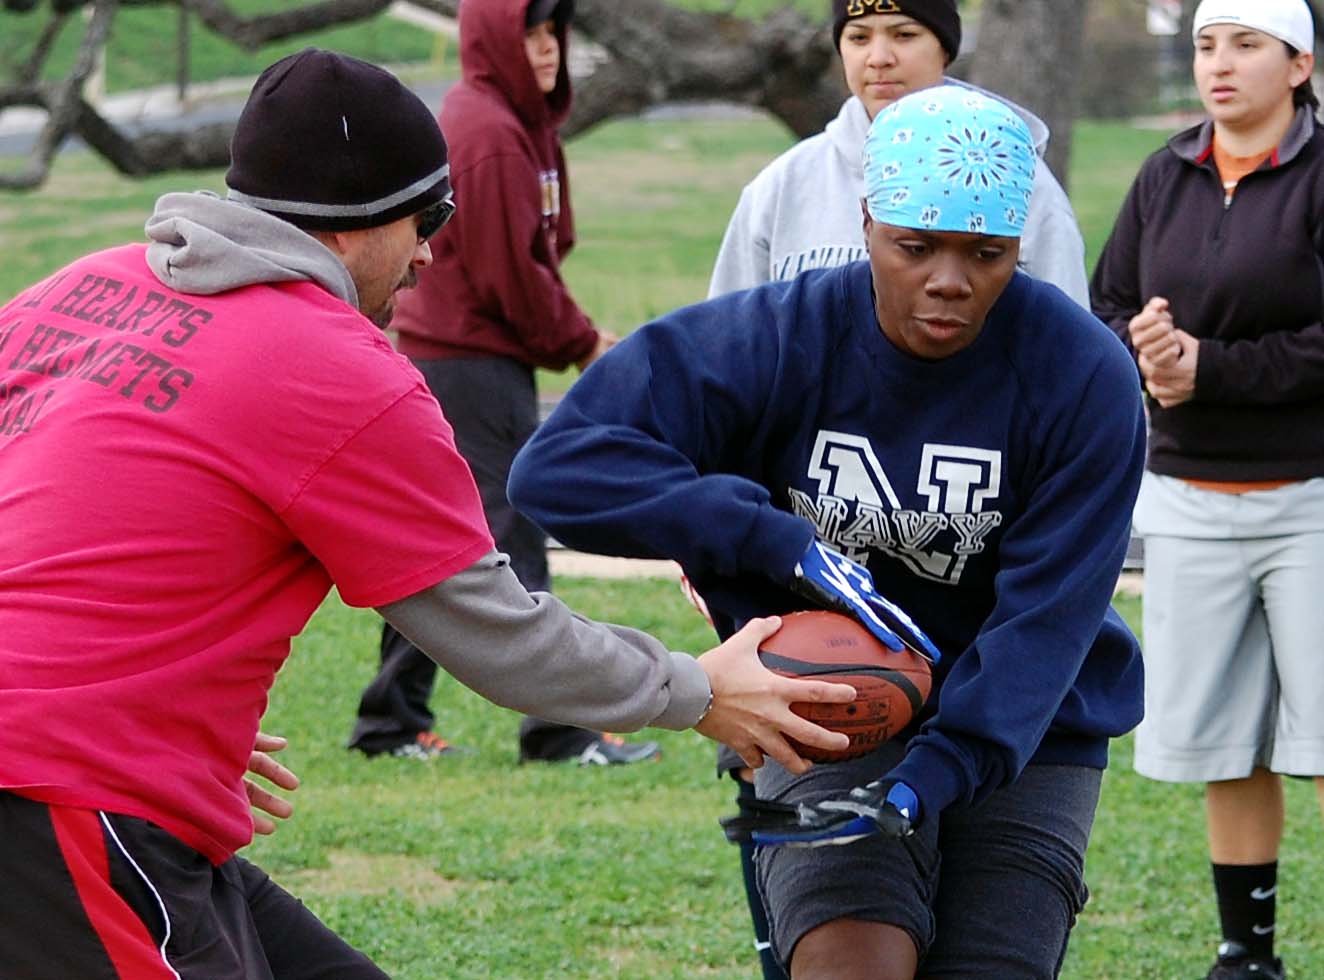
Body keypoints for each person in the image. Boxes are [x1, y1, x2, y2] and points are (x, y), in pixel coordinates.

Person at [0, 48, 860, 978]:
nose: (429, 251)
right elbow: (499, 633)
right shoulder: (340, 371)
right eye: (427, 216)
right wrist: (695, 689)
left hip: (85, 780)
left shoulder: (74, 291)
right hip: (63, 803)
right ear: (353, 220)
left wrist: (141, 696)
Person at [510, 85, 1148, 980]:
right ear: (867, 221)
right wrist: (775, 541)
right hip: (831, 704)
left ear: (1022, 243)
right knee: (851, 964)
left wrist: (935, 773)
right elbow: (559, 468)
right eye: (915, 247)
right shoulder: (777, 336)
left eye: (986, 254)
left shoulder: (1083, 375)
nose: (948, 281)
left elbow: (1044, 621)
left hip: (1025, 723)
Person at [345, 0, 655, 766]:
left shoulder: (519, 125)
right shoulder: (486, 134)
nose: (546, 49)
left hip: (480, 360)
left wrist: (573, 332)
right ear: (494, 39)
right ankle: (553, 732)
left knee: (456, 541)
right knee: (507, 538)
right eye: (530, 32)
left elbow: (538, 249)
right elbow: (508, 274)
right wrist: (581, 341)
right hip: (467, 365)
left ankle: (392, 722)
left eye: (554, 32)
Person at [1091, 3, 1324, 978]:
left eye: (1244, 44)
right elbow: (1107, 302)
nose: (1218, 65)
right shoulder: (1162, 173)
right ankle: (1245, 954)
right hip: (1188, 495)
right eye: (1203, 44)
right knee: (1227, 741)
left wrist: (1207, 368)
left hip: (1312, 496)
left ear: (1299, 64)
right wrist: (1145, 355)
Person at [707, 0, 1089, 308]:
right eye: (858, 38)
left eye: (904, 35)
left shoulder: (1017, 179)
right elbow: (729, 339)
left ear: (945, 48)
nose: (878, 58)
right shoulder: (784, 186)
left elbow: (1069, 345)